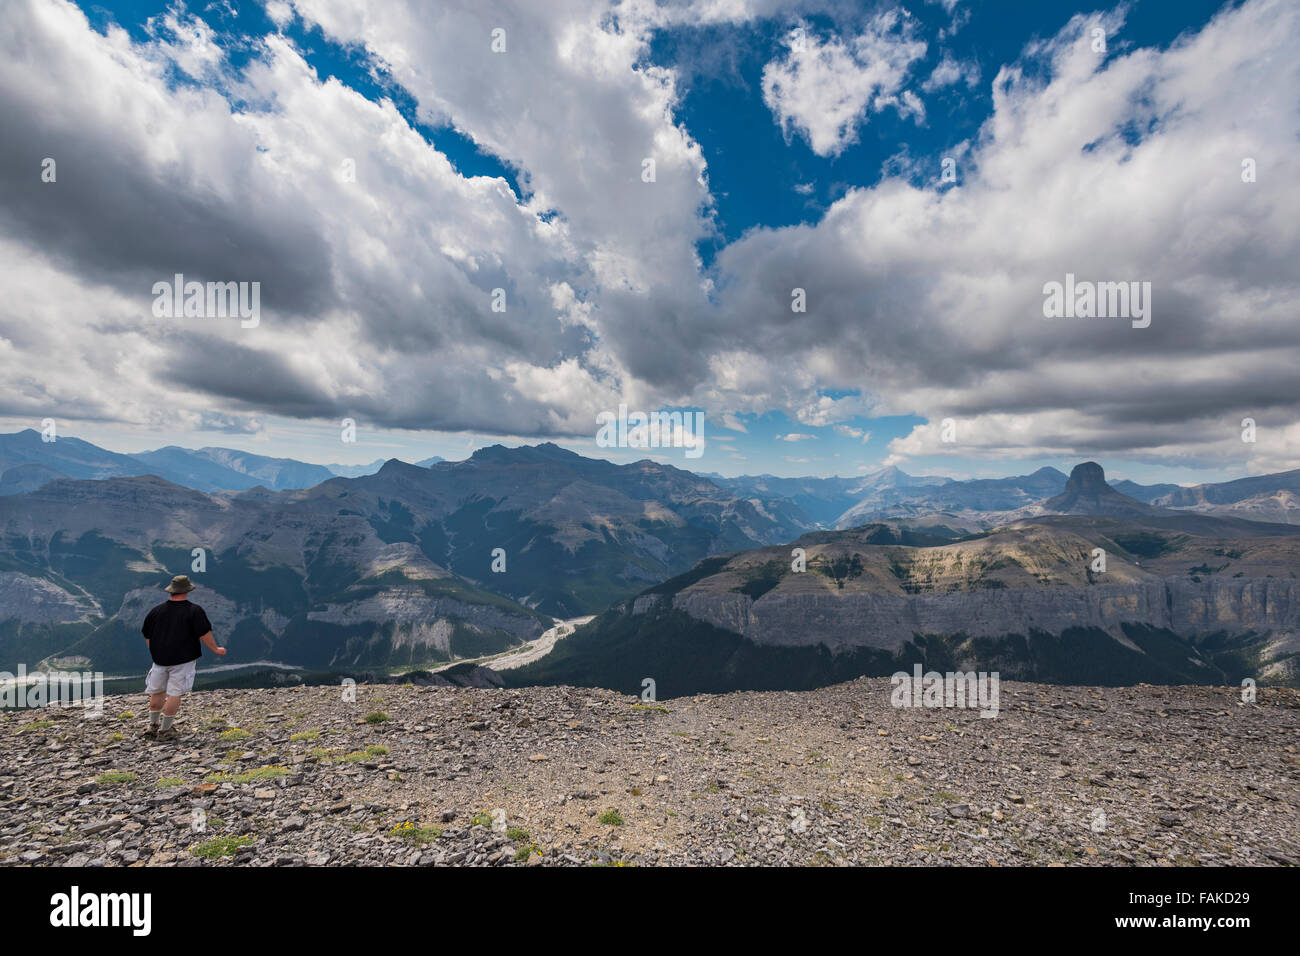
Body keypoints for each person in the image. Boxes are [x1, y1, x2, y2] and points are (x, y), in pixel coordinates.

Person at [140, 575, 225, 739]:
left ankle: (152, 726)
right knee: (174, 693)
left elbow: (147, 635)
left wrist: (155, 651)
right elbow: (204, 633)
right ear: (187, 590)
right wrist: (216, 649)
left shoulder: (156, 611)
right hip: (183, 659)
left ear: (171, 591)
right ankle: (165, 730)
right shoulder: (194, 611)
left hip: (159, 660)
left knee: (157, 691)